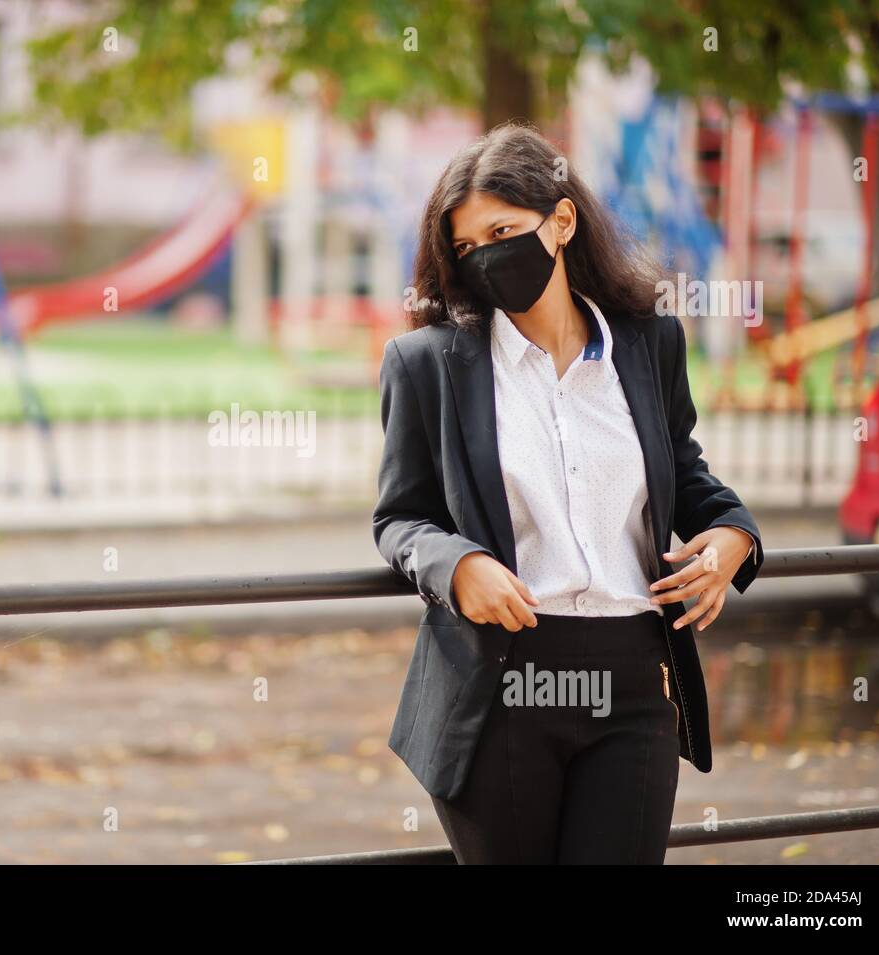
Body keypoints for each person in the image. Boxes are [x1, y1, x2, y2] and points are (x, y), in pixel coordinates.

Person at [372, 122, 763, 864]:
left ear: (561, 220)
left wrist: (733, 537)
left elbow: (685, 478)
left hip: (633, 682)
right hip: (500, 686)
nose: (484, 256)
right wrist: (454, 565)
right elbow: (400, 518)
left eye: (502, 230)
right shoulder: (429, 365)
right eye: (464, 246)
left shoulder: (649, 343)